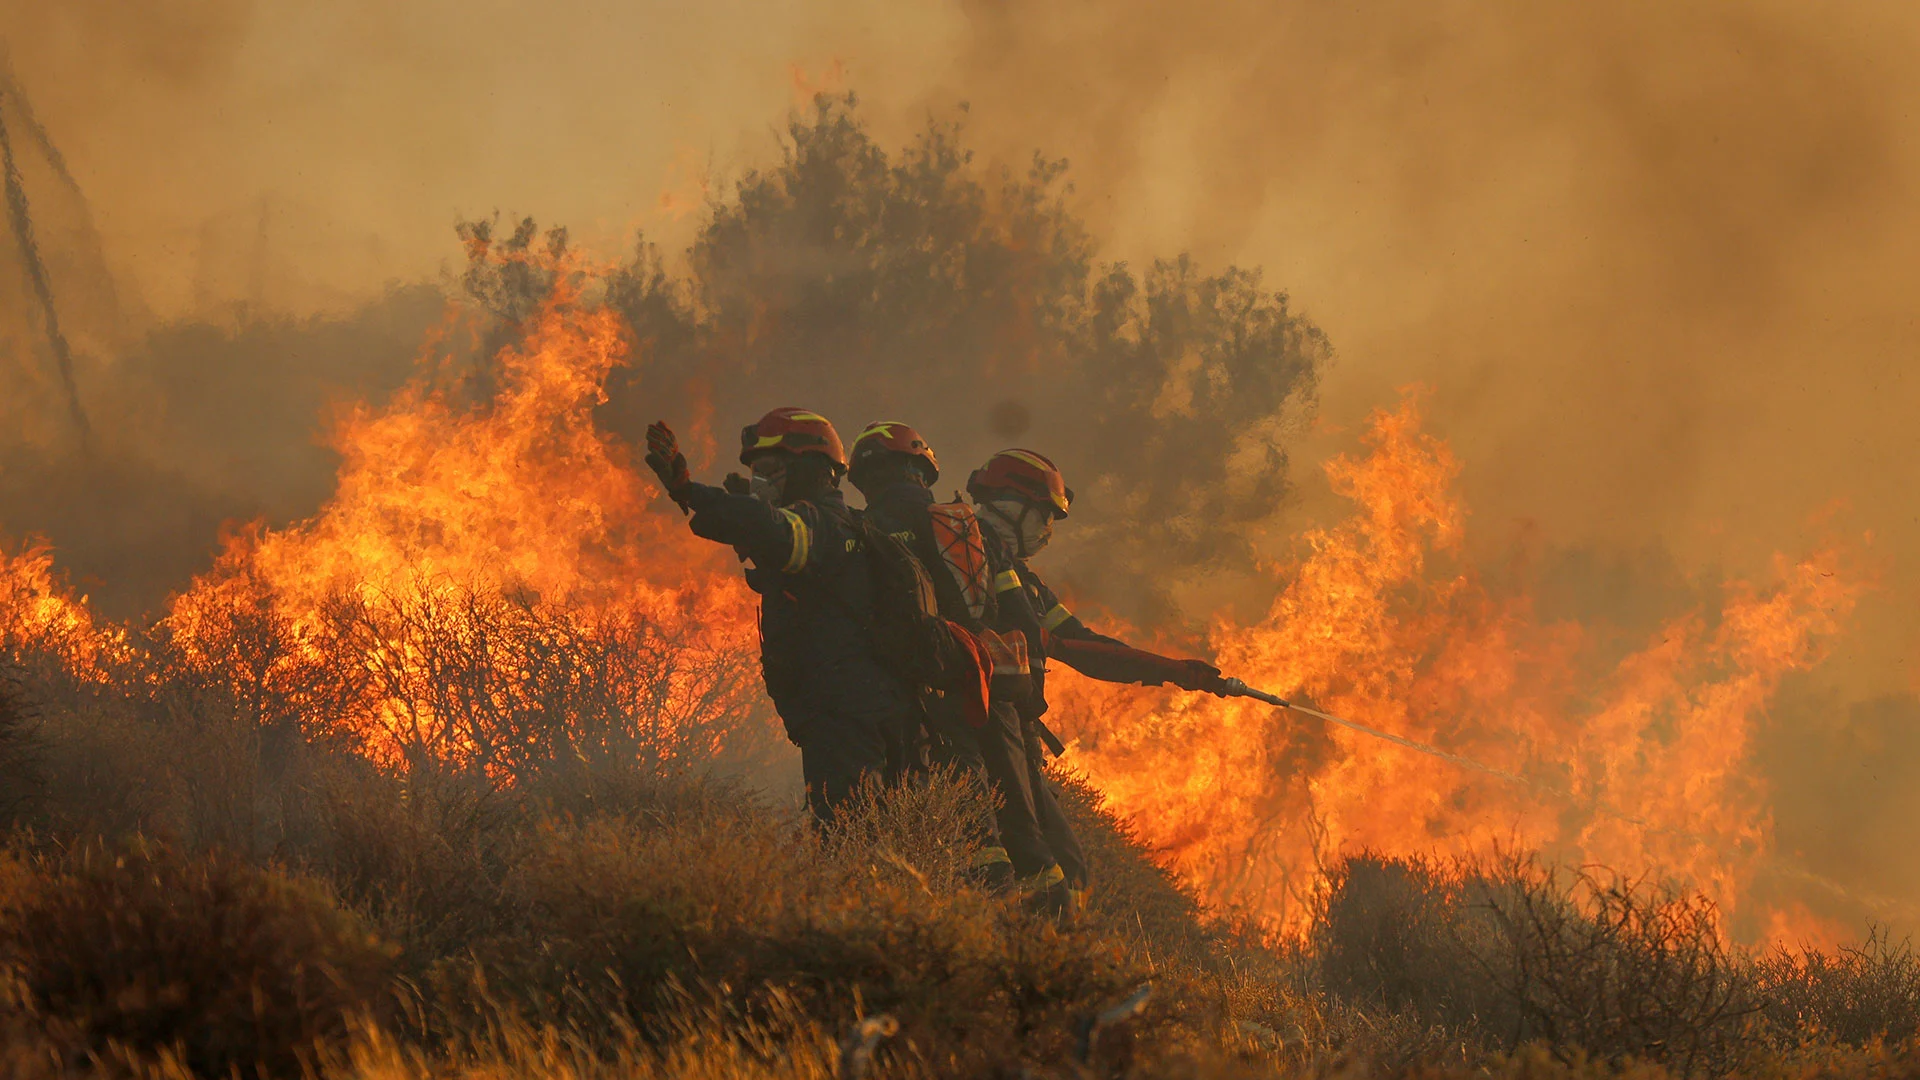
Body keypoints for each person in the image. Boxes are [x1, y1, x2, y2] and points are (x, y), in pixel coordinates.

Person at [966, 449, 1234, 913]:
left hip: (1017, 737)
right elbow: (1050, 643)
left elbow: (1083, 642)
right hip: (985, 734)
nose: (1047, 532)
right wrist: (1166, 669)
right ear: (1015, 505)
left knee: (1069, 872)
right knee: (1038, 874)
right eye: (1044, 517)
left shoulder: (1023, 580)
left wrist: (1170, 669)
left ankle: (1049, 964)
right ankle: (1020, 966)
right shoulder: (978, 562)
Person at [644, 408, 919, 824]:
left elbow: (774, 530)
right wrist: (744, 508)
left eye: (770, 468)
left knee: (849, 835)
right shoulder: (845, 524)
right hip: (868, 706)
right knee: (884, 832)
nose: (760, 479)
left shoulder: (820, 523)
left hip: (845, 713)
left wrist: (690, 491)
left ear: (810, 468)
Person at [847, 421, 1067, 900]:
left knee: (966, 826)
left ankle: (985, 923)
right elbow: (1023, 621)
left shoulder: (860, 531)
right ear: (921, 469)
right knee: (1027, 835)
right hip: (992, 694)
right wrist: (1024, 695)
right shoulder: (963, 526)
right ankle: (1053, 943)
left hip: (918, 701)